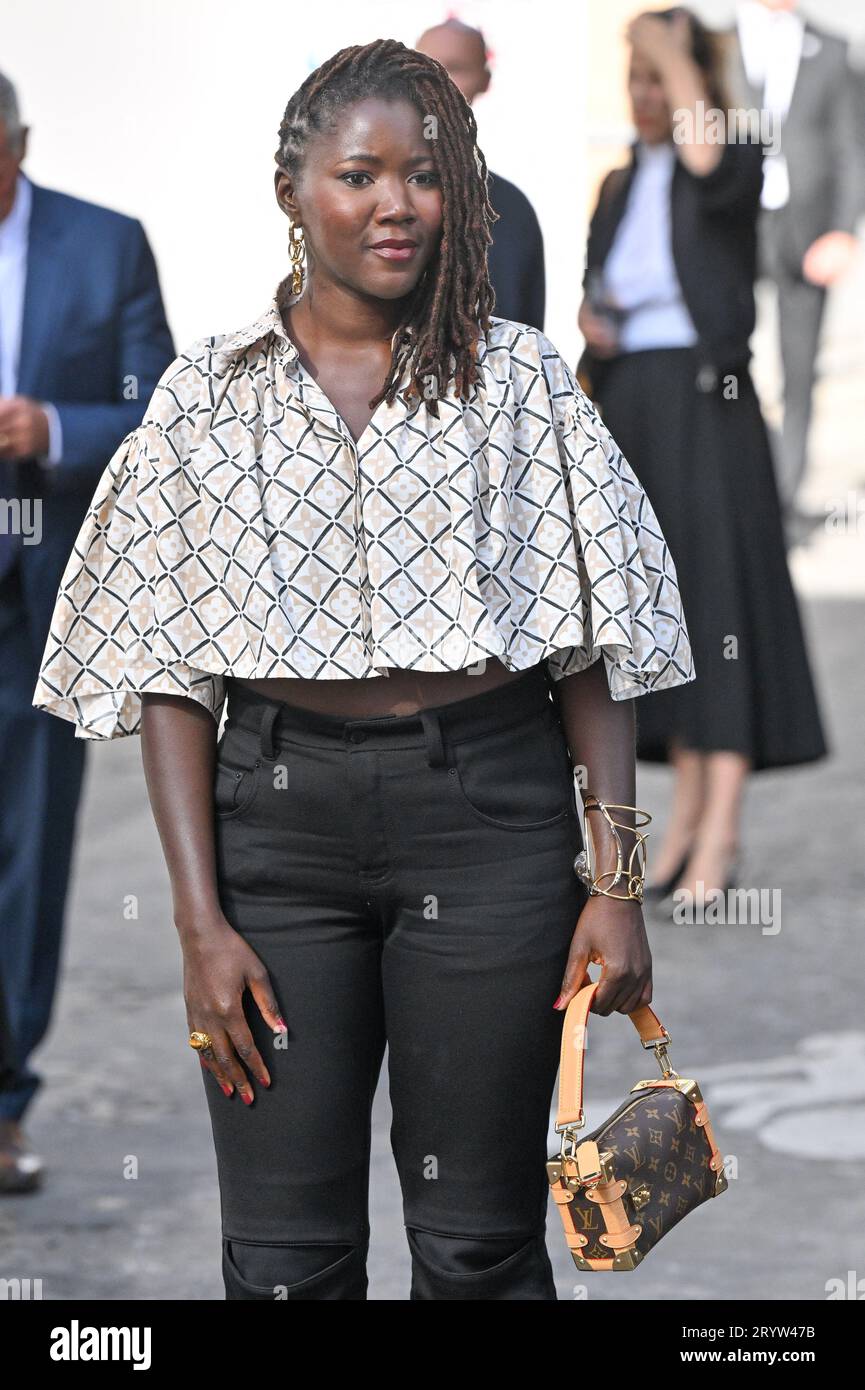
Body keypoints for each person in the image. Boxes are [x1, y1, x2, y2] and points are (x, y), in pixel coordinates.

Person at [33, 39, 693, 1300]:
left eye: (428, 175)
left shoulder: (521, 386)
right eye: (360, 174)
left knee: (478, 1244)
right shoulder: (204, 403)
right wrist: (198, 924)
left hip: (489, 828)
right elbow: (173, 678)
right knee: (286, 1257)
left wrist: (615, 891)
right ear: (292, 191)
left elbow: (591, 655)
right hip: (273, 843)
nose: (398, 203)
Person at [577, 8, 827, 906]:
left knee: (719, 606)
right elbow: (597, 294)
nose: (645, 94)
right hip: (633, 404)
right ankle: (681, 828)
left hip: (704, 400)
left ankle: (717, 834)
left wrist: (670, 49)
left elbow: (705, 154)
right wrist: (593, 327)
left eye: (660, 79)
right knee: (661, 616)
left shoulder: (726, 161)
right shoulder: (614, 185)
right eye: (635, 78)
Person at [0, 70, 174, 1191]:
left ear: (14, 144)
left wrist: (49, 424)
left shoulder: (103, 244)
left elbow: (155, 403)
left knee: (25, 858)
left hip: (37, 602)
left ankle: (4, 1097)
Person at [722, 0, 865, 527]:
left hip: (808, 228)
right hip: (736, 221)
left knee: (799, 368)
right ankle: (731, 485)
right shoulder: (720, 41)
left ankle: (781, 502)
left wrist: (842, 232)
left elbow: (853, 150)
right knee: (726, 353)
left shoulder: (830, 49)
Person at [415, 18, 546, 329]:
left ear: (484, 80)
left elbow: (523, 339)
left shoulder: (510, 208)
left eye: (455, 68)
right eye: (424, 68)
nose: (438, 82)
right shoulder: (376, 195)